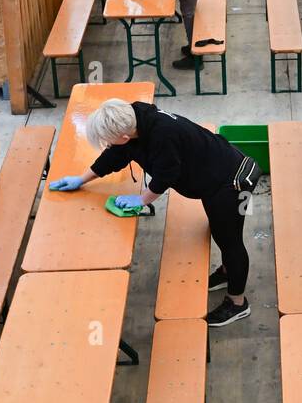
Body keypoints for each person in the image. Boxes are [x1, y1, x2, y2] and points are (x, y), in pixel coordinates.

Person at [48, 99, 259, 327]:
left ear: (124, 137)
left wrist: (141, 200)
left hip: (233, 182)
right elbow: (115, 156)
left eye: (108, 140)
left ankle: (238, 303)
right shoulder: (133, 119)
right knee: (220, 231)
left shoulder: (161, 136)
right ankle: (228, 271)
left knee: (230, 241)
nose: (107, 144)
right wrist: (82, 178)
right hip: (212, 173)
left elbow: (166, 174)